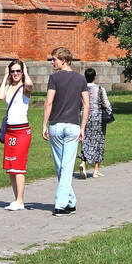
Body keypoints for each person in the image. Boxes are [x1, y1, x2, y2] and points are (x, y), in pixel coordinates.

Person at [42, 47, 89, 214]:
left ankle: (60, 204)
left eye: (54, 59)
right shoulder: (80, 79)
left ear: (64, 60)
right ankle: (71, 201)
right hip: (73, 125)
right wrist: (82, 127)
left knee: (62, 166)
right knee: (65, 166)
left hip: (56, 125)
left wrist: (44, 124)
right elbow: (86, 104)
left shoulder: (54, 78)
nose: (52, 62)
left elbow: (49, 102)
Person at [0, 57, 33, 209]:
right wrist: (5, 77)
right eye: (13, 71)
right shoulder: (10, 86)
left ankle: (20, 200)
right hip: (10, 131)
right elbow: (0, 96)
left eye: (18, 71)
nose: (15, 74)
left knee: (19, 166)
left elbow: (30, 84)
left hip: (21, 131)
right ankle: (15, 199)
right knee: (11, 167)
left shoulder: (25, 88)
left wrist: (25, 71)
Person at [80, 68, 112, 177]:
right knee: (99, 141)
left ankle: (83, 164)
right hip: (97, 117)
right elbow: (106, 104)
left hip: (84, 116)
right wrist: (109, 112)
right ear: (94, 77)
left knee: (85, 139)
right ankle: (96, 170)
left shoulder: (82, 89)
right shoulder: (100, 89)